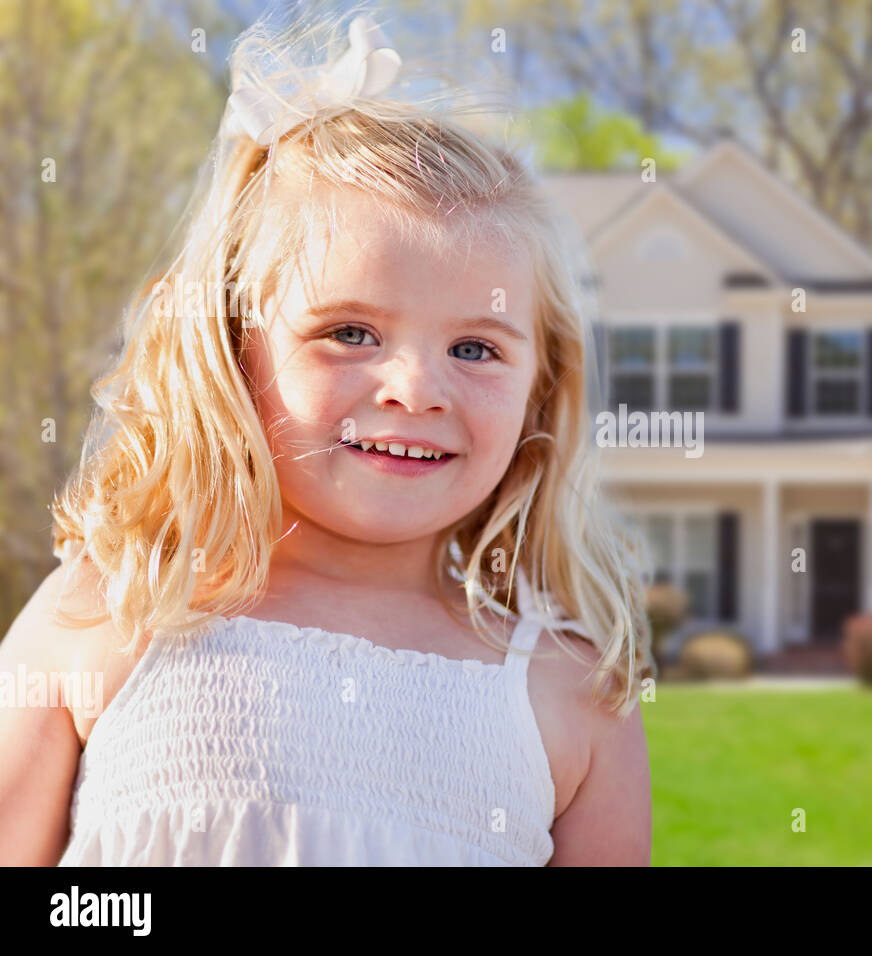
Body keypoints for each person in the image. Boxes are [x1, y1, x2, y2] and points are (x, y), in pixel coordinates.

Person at [0, 9, 653, 866]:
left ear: (541, 390)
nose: (415, 390)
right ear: (234, 353)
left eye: (474, 348)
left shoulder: (571, 691)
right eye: (350, 333)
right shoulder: (110, 611)